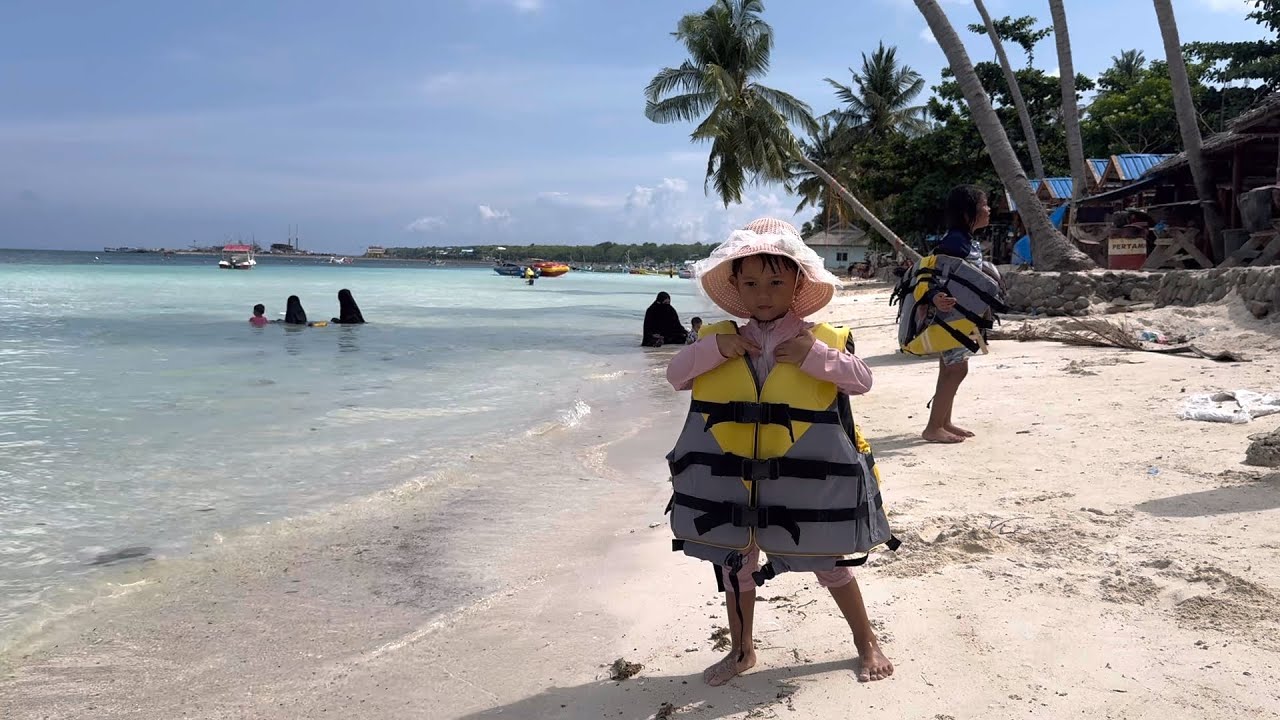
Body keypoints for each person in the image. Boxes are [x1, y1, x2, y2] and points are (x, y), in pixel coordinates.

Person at [665, 217, 895, 685]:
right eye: (750, 283)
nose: (763, 293)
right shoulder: (717, 340)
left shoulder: (820, 339)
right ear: (735, 287)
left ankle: (865, 641)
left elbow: (862, 380)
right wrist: (717, 350)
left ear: (796, 284)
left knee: (830, 565)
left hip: (802, 485)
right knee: (736, 569)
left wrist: (814, 356)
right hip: (734, 485)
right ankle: (742, 650)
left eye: (775, 281)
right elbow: (676, 376)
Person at [921, 185, 998, 444]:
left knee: (949, 367)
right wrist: (935, 296)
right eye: (984, 204)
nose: (989, 209)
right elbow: (935, 275)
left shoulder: (965, 240)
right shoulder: (955, 241)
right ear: (968, 213)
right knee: (956, 369)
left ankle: (944, 421)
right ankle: (933, 428)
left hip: (963, 316)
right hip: (952, 316)